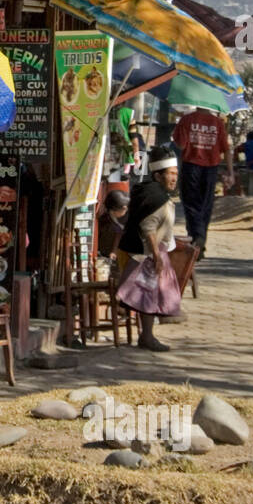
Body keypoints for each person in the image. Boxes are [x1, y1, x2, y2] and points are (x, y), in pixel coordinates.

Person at [115, 145, 182, 352]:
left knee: (150, 295)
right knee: (148, 295)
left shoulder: (155, 193)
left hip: (149, 252)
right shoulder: (155, 197)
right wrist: (156, 254)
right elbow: (148, 227)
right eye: (170, 174)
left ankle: (147, 335)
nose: (174, 178)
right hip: (146, 254)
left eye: (175, 174)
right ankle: (147, 336)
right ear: (157, 175)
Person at [171, 107, 233, 257]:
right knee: (205, 206)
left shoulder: (187, 119)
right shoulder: (218, 122)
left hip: (191, 166)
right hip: (211, 169)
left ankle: (197, 239)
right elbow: (226, 149)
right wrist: (231, 172)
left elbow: (180, 144)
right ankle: (199, 243)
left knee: (191, 204)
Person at [97, 189, 130, 258]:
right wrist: (114, 251)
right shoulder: (116, 214)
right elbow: (119, 232)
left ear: (124, 208)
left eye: (113, 212)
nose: (111, 214)